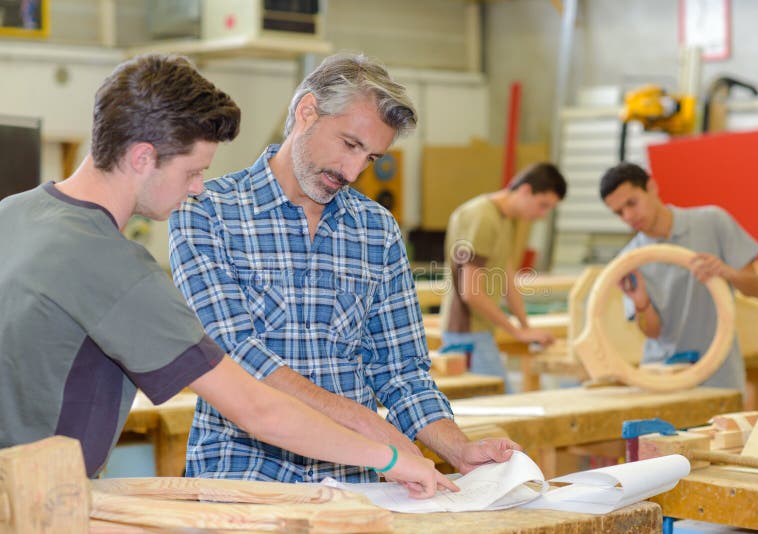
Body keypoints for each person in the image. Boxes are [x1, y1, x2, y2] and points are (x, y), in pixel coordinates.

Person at [0, 53, 459, 498]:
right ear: (142, 157)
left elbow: (398, 368)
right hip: (34, 501)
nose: (198, 186)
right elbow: (257, 408)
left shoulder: (12, 214)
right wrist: (386, 455)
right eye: (193, 171)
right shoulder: (117, 267)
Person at [168, 52, 522, 484]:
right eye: (350, 145)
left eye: (371, 158)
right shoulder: (207, 212)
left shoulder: (377, 230)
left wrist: (459, 448)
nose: (353, 172)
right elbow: (235, 358)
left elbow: (401, 371)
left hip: (353, 482)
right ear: (307, 111)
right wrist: (366, 426)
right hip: (245, 478)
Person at [599, 162, 758, 392]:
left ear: (652, 187)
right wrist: (641, 303)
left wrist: (726, 272)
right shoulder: (630, 260)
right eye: (619, 212)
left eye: (632, 203)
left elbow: (757, 289)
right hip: (663, 374)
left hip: (720, 373)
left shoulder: (713, 222)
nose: (628, 216)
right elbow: (653, 332)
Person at [438, 164, 568, 392]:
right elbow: (471, 292)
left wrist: (526, 327)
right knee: (500, 401)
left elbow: (507, 278)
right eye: (543, 205)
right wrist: (517, 332)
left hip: (481, 330)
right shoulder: (482, 217)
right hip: (466, 332)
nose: (542, 215)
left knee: (501, 399)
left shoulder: (506, 219)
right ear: (525, 190)